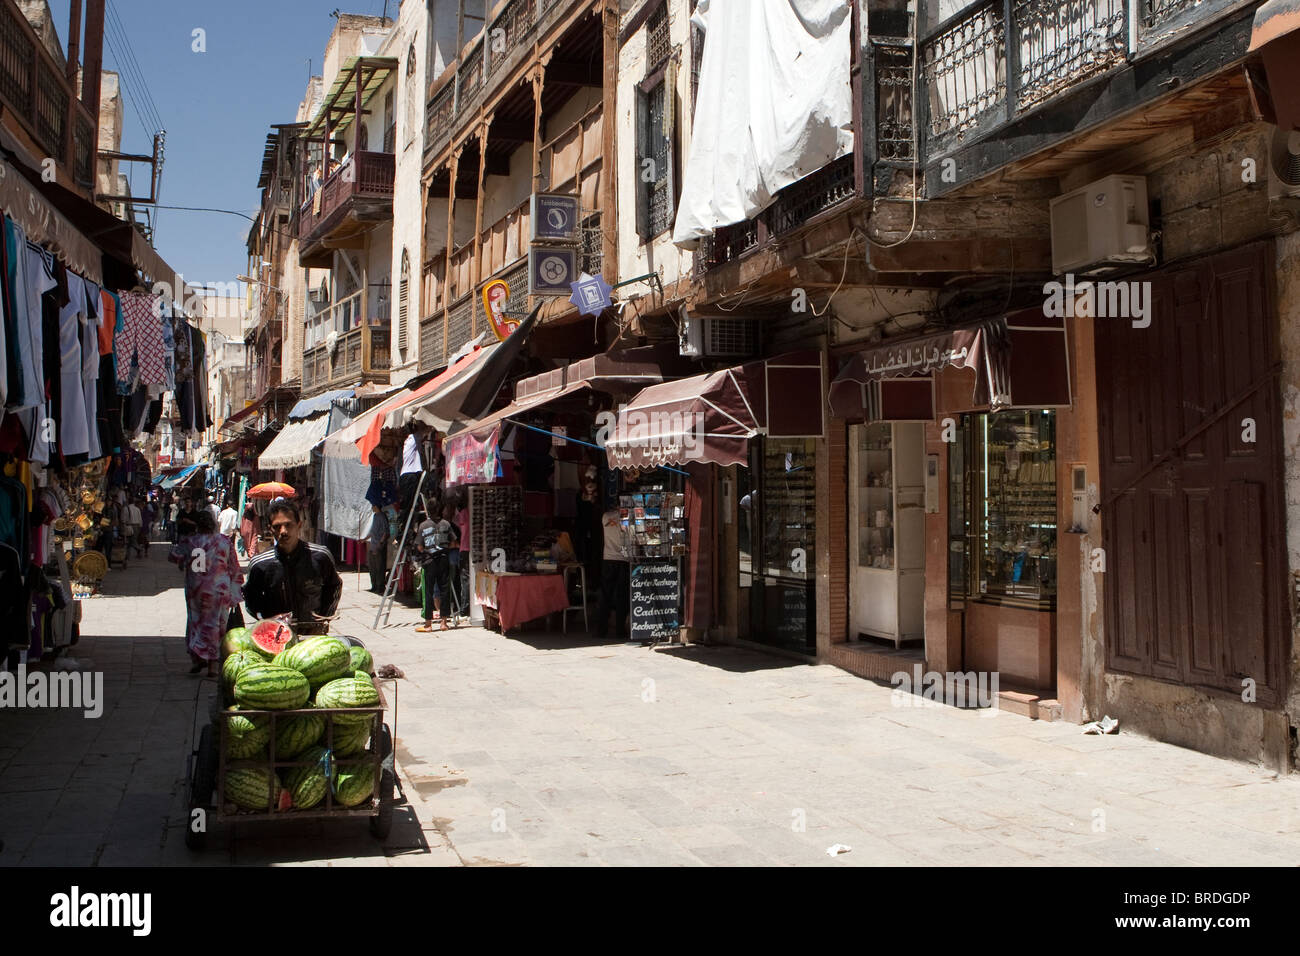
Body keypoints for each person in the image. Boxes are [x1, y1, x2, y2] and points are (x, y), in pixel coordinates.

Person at [243, 498, 342, 636]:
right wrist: (264, 621)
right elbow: (250, 596)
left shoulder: (321, 556)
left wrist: (323, 618)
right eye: (277, 526)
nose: (283, 531)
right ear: (270, 529)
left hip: (313, 634)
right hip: (276, 635)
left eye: (288, 525)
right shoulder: (260, 564)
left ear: (299, 525)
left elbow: (335, 586)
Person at [169, 510, 243, 676]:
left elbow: (173, 556)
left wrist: (185, 558)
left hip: (196, 590)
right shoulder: (224, 541)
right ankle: (213, 664)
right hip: (219, 591)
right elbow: (234, 566)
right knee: (217, 625)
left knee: (196, 623)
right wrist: (235, 588)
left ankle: (198, 658)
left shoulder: (190, 541)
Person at [412, 510, 456, 632]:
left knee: (428, 591)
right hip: (443, 561)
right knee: (444, 590)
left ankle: (428, 624)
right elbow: (453, 543)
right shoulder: (446, 524)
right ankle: (443, 623)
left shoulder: (423, 525)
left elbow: (419, 546)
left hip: (429, 562)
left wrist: (428, 551)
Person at [594, 505, 631, 641]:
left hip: (608, 558)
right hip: (623, 559)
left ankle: (601, 629)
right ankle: (620, 630)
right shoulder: (627, 517)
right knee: (622, 595)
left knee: (605, 594)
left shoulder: (606, 516)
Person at [366, 505, 389, 594]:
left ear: (376, 506)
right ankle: (374, 585)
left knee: (379, 567)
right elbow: (373, 532)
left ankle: (380, 587)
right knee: (372, 567)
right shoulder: (375, 516)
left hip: (378, 546)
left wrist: (379, 545)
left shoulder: (382, 517)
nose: (371, 507)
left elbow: (385, 532)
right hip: (372, 545)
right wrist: (364, 539)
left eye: (373, 505)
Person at [121, 497, 142, 563]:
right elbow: (140, 519)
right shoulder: (137, 509)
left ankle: (137, 549)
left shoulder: (126, 508)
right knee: (133, 540)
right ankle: (129, 555)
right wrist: (140, 527)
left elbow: (123, 519)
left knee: (129, 542)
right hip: (136, 526)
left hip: (129, 526)